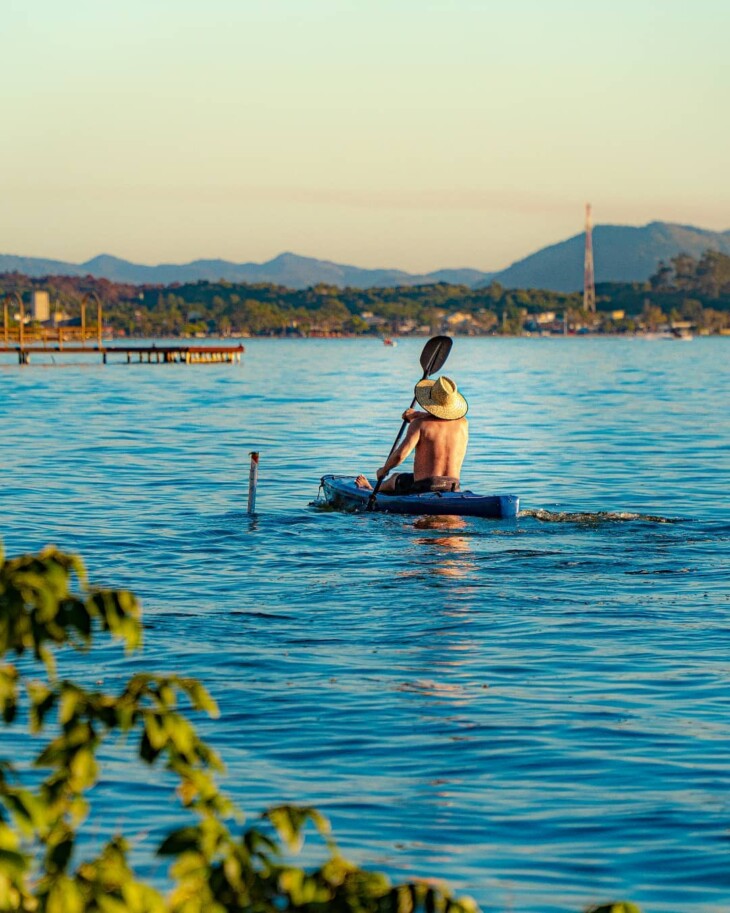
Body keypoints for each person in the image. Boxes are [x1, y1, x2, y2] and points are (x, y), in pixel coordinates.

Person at [355, 375, 469, 495]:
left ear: (431, 401)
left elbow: (400, 456)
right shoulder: (463, 423)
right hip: (453, 486)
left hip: (426, 486)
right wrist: (418, 414)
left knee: (395, 478)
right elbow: (442, 422)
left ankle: (371, 490)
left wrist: (383, 470)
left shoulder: (420, 425)